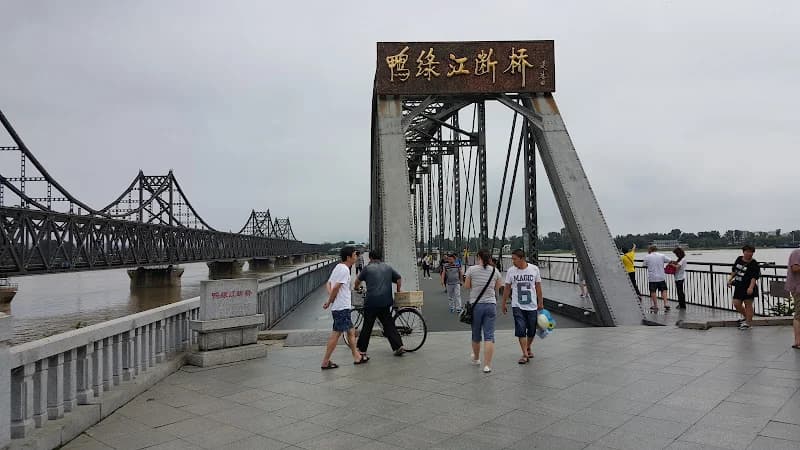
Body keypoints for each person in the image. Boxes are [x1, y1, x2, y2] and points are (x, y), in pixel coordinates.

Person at [320, 246, 368, 369]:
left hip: (341, 307)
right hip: (342, 308)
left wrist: (332, 297)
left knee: (351, 332)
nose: (356, 257)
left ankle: (357, 356)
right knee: (336, 335)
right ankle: (325, 361)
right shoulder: (345, 270)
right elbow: (336, 287)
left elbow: (328, 284)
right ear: (348, 257)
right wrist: (330, 301)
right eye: (355, 255)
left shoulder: (338, 267)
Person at [352, 247, 406, 356]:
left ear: (370, 258)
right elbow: (399, 278)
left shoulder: (367, 269)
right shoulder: (388, 267)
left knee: (367, 326)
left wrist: (356, 288)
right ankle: (398, 346)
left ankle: (362, 350)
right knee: (389, 324)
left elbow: (357, 282)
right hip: (385, 302)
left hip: (371, 302)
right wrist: (398, 291)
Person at [502, 249, 544, 364]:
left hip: (532, 305)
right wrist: (504, 302)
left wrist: (540, 302)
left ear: (522, 258)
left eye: (515, 259)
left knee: (532, 330)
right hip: (517, 305)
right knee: (521, 329)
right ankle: (525, 354)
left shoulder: (534, 269)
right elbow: (507, 288)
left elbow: (538, 287)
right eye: (512, 259)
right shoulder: (511, 271)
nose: (513, 261)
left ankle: (528, 347)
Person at [465, 249, 503, 373]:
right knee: (489, 336)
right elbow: (498, 287)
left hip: (476, 305)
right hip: (491, 305)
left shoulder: (471, 270)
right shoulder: (495, 271)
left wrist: (476, 286)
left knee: (476, 334)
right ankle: (487, 365)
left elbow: (467, 286)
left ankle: (476, 359)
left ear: (478, 257)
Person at [727, 245, 760, 330]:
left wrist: (751, 287)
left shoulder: (754, 263)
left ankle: (748, 323)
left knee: (748, 304)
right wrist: (730, 279)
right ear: (743, 252)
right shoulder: (739, 259)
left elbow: (754, 277)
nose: (749, 254)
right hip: (739, 285)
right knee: (736, 303)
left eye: (751, 252)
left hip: (748, 286)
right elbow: (734, 271)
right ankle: (747, 317)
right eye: (747, 251)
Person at [643, 245, 671, 312]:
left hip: (652, 277)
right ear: (656, 249)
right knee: (663, 290)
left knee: (653, 291)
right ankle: (666, 303)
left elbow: (644, 265)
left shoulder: (647, 256)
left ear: (650, 250)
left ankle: (655, 305)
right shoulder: (662, 255)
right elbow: (670, 260)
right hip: (661, 276)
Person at [785, 248, 800, 349]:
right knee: (799, 315)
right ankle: (798, 341)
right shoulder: (797, 253)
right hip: (798, 289)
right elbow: (795, 268)